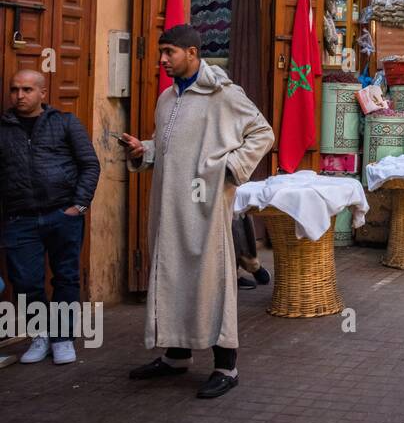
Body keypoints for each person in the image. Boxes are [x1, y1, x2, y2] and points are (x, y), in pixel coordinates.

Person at [120, 24, 274, 399]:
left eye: (169, 52)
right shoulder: (166, 99)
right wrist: (146, 150)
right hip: (169, 206)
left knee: (211, 279)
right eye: (162, 52)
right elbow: (169, 145)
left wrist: (228, 168)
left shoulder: (225, 95)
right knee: (173, 275)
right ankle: (176, 356)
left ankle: (227, 366)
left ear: (192, 53)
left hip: (205, 206)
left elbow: (263, 133)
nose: (163, 60)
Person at [0, 70, 100, 365]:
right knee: (26, 282)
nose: (20, 95)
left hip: (62, 214)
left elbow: (89, 165)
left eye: (27, 89)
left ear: (43, 93)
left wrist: (79, 206)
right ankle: (41, 335)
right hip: (20, 219)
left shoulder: (64, 123)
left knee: (66, 278)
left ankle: (63, 337)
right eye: (15, 89)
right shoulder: (3, 128)